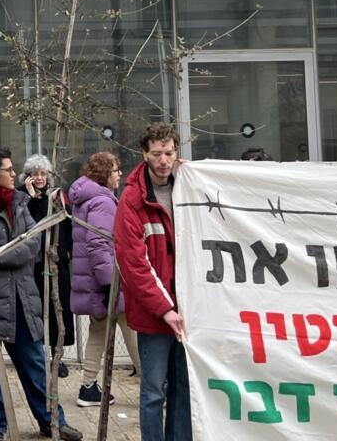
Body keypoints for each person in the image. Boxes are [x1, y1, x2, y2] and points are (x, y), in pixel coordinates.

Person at [0, 148, 82, 441]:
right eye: (8, 170)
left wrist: (1, 256)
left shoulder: (21, 202)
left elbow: (33, 244)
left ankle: (52, 420)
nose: (15, 175)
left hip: (21, 297)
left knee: (34, 362)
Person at [114, 123, 191, 441]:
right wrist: (165, 309)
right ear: (144, 154)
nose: (163, 160)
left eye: (169, 153)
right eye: (157, 153)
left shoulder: (190, 187)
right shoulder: (131, 201)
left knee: (183, 391)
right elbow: (135, 267)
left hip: (189, 310)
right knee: (153, 392)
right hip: (153, 315)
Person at [69, 152, 141, 407]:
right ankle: (154, 383)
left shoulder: (84, 199)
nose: (119, 174)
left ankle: (88, 387)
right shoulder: (103, 202)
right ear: (103, 174)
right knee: (133, 327)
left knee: (98, 331)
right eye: (115, 170)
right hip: (106, 281)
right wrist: (112, 281)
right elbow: (99, 243)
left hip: (91, 280)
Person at [21, 154, 75, 378]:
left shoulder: (57, 197)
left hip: (56, 261)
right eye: (35, 174)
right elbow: (32, 225)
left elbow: (67, 225)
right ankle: (39, 358)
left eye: (43, 174)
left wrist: (68, 252)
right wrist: (32, 198)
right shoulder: (23, 199)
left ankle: (57, 357)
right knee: (37, 311)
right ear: (28, 177)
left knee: (58, 310)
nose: (39, 177)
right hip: (34, 264)